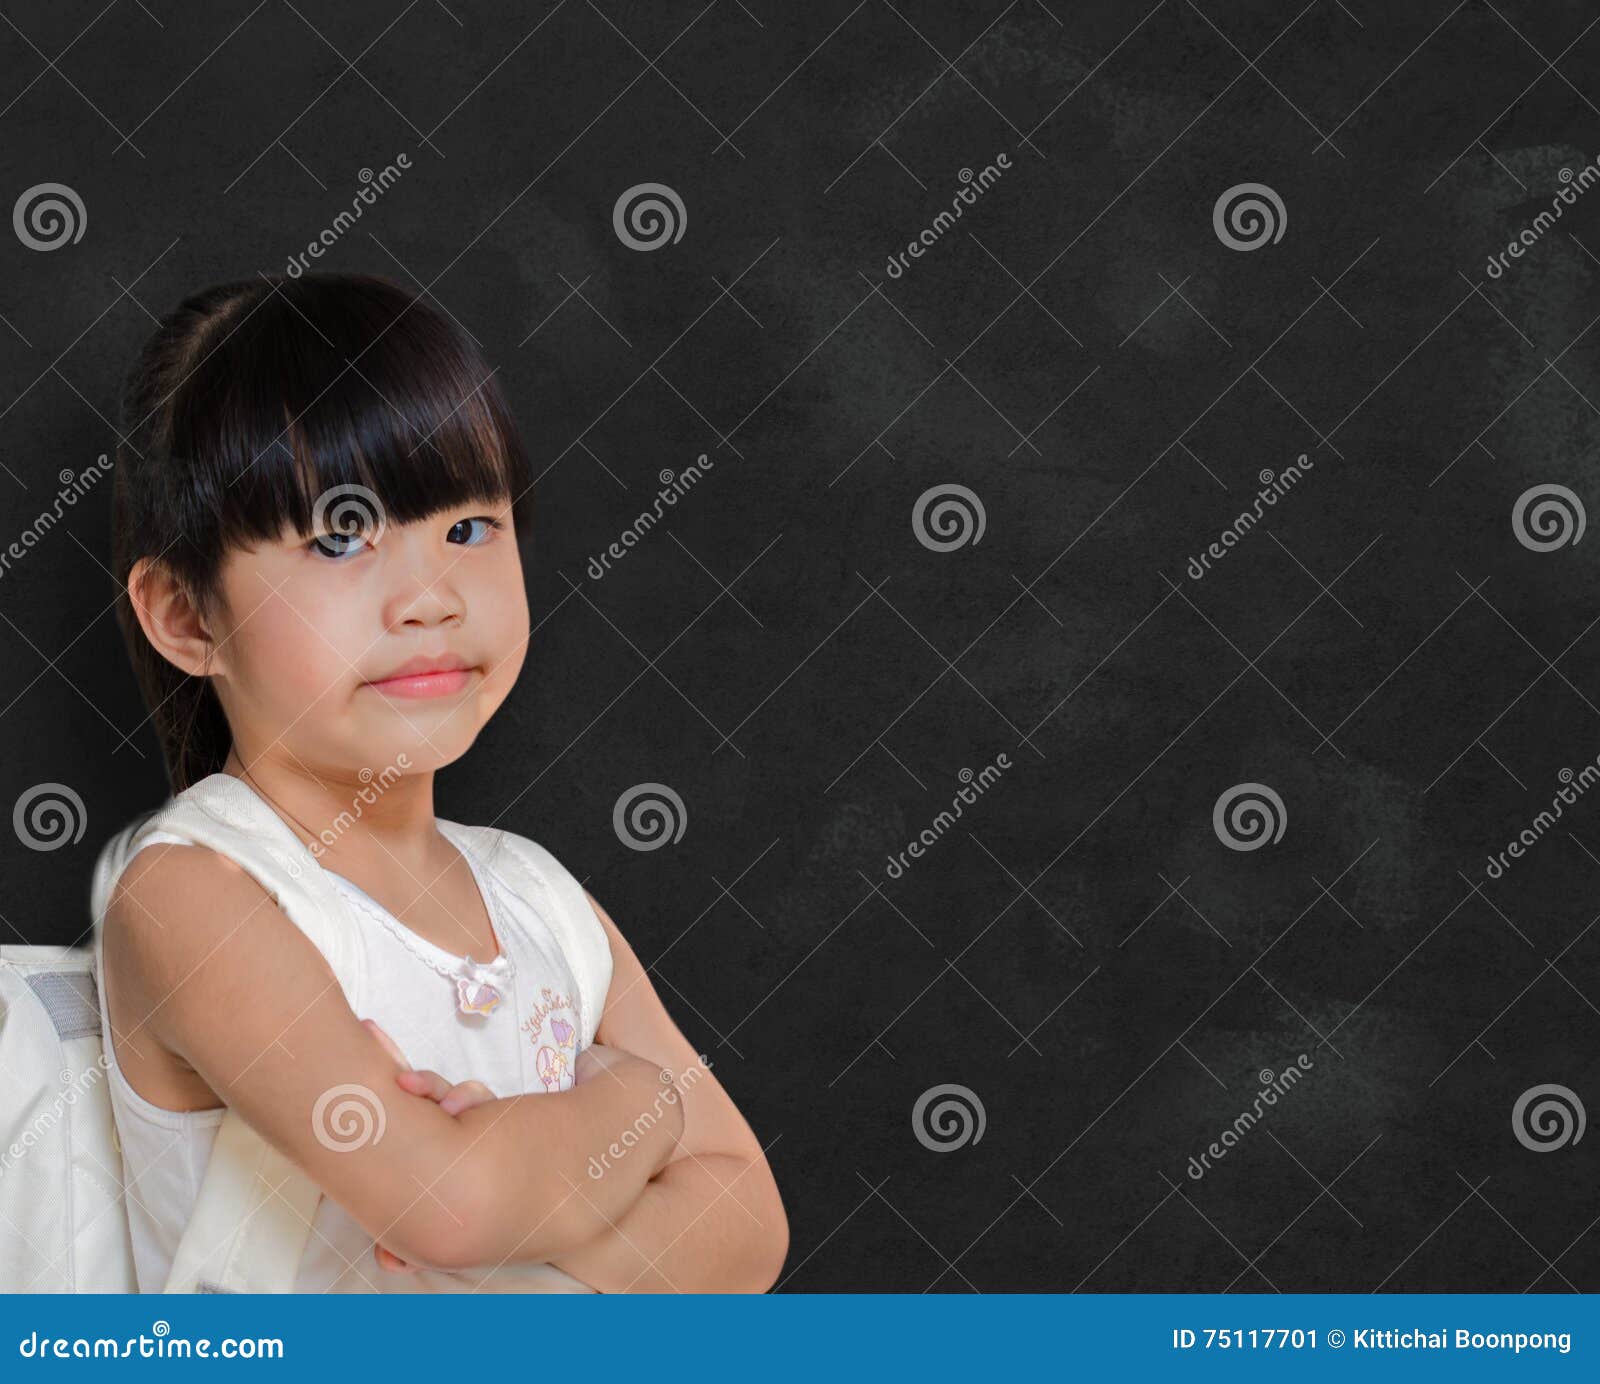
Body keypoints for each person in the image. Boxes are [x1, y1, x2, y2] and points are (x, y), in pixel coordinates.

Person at [95, 271, 787, 1293]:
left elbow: (749, 1227)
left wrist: (539, 1205)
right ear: (190, 618)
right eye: (339, 536)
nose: (430, 597)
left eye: (468, 527)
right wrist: (642, 1106)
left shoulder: (538, 896)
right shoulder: (195, 895)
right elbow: (447, 1207)